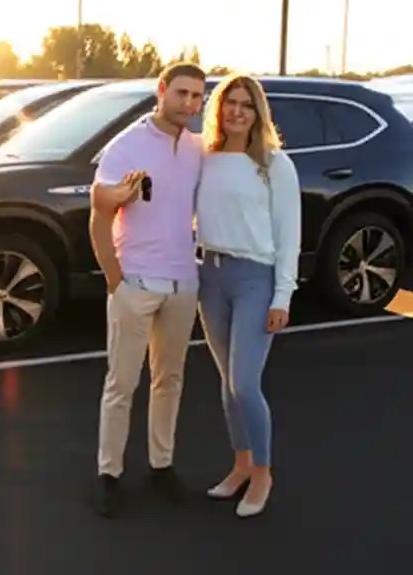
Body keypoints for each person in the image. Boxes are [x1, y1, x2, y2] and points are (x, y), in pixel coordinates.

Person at [89, 61, 206, 517]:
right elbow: (98, 211)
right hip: (135, 282)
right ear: (162, 91)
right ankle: (109, 473)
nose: (189, 104)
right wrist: (114, 279)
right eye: (181, 93)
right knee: (121, 384)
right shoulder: (127, 146)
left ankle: (161, 465)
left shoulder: (197, 149)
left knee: (169, 381)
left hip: (183, 284)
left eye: (197, 97)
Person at [194, 73, 301, 518]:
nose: (237, 111)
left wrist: (283, 296)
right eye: (230, 102)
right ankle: (239, 465)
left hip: (255, 278)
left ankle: (262, 472)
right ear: (218, 109)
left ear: (259, 112)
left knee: (245, 383)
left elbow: (289, 233)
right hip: (210, 278)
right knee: (227, 385)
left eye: (247, 104)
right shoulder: (207, 158)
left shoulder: (274, 164)